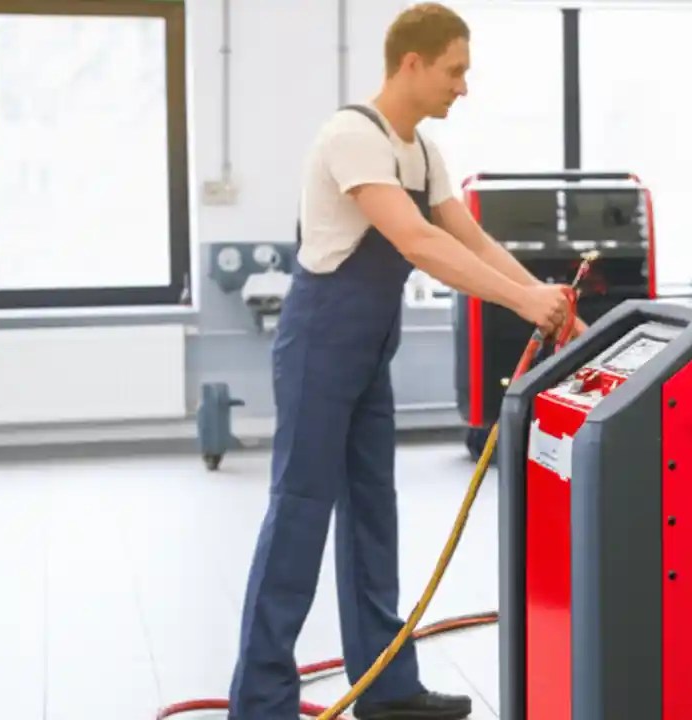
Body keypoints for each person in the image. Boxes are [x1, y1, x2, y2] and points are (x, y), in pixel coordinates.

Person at [227, 4, 582, 718]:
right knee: (300, 513)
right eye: (456, 70)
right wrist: (521, 303)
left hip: (368, 349)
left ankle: (388, 687)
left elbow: (471, 240)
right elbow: (417, 242)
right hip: (321, 344)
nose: (464, 87)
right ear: (412, 64)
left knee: (372, 514)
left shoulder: (421, 151)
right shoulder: (352, 137)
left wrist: (550, 301)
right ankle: (260, 700)